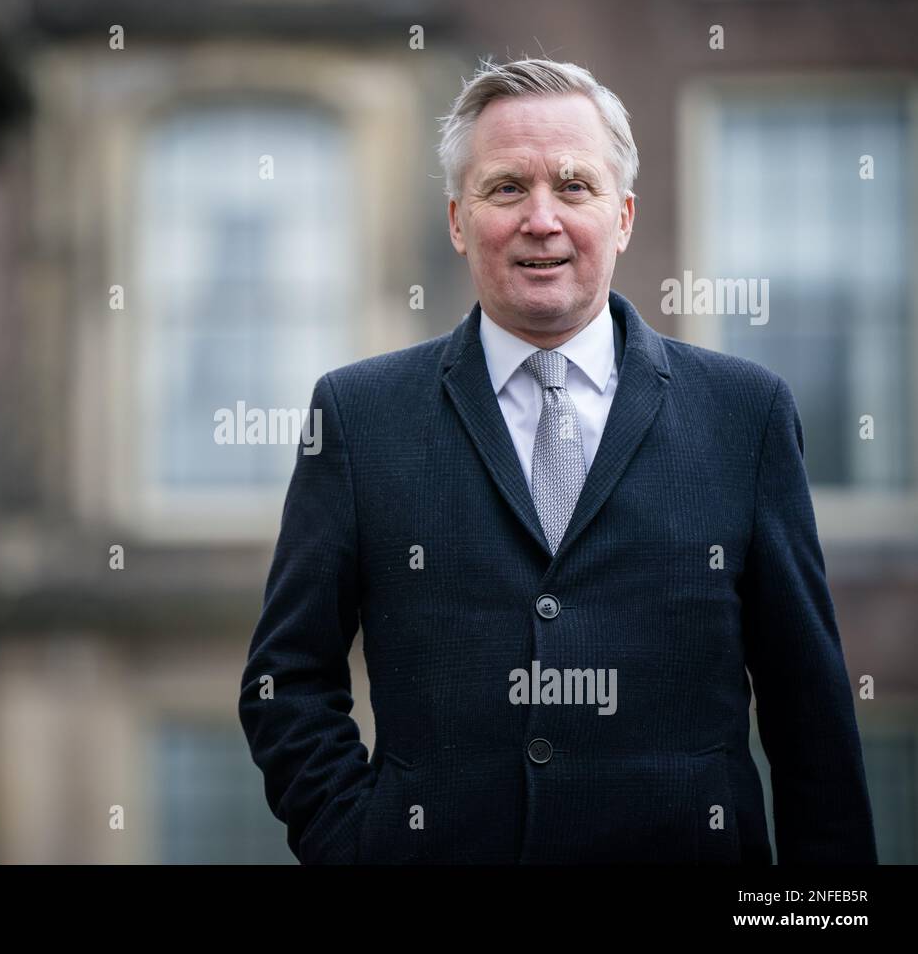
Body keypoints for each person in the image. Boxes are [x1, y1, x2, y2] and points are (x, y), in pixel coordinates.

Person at [238, 57, 877, 864]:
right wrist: (360, 845)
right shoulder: (360, 417)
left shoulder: (745, 415)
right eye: (506, 188)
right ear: (458, 220)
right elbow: (285, 684)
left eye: (574, 186)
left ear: (623, 217)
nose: (541, 218)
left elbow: (810, 710)